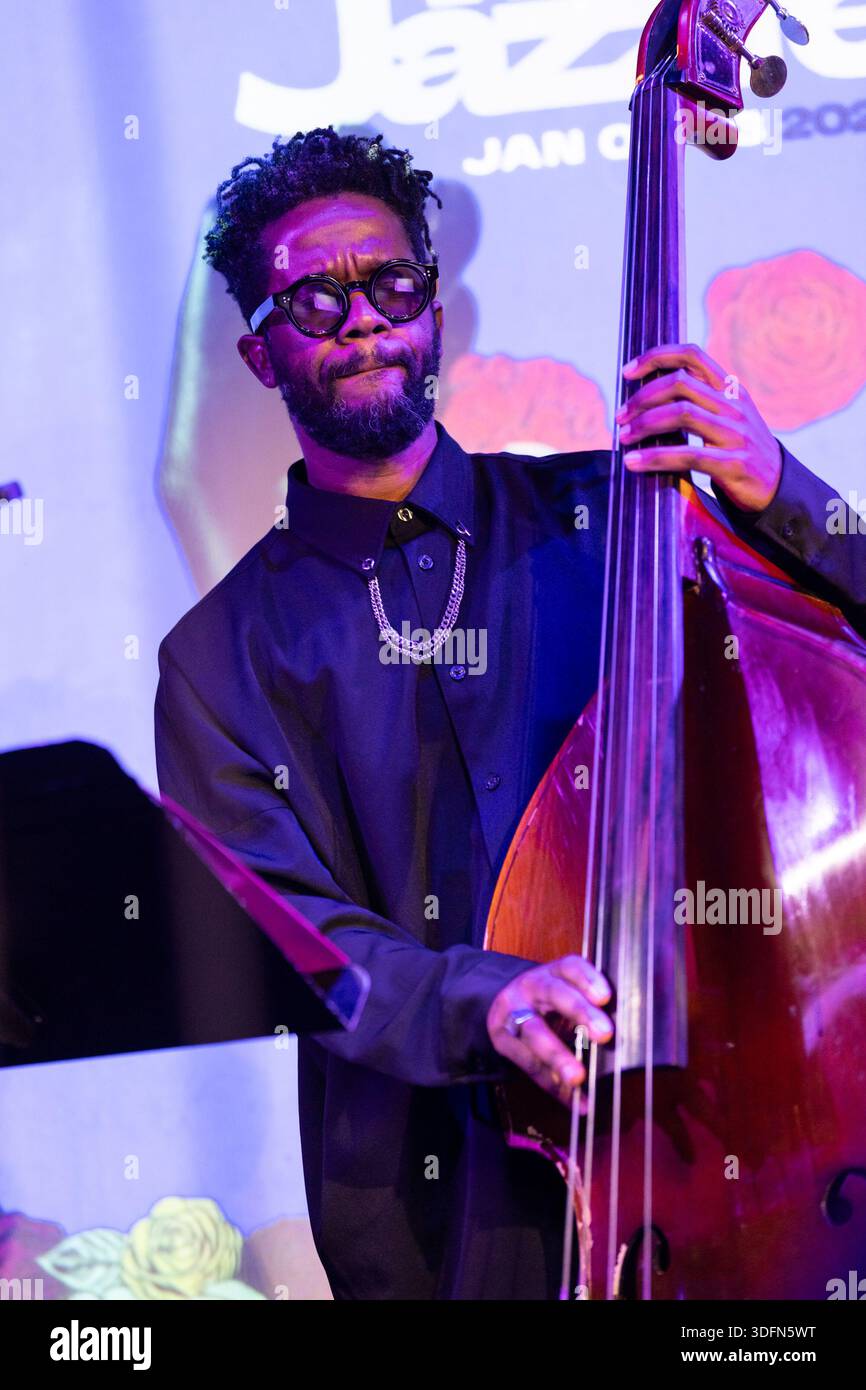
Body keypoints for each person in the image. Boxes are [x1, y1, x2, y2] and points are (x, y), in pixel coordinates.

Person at [154, 127, 866, 1300]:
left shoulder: (622, 515)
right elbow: (286, 939)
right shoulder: (214, 660)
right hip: (441, 1218)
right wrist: (485, 999)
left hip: (743, 1159)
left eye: (390, 284)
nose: (365, 319)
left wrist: (779, 484)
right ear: (259, 351)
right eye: (314, 301)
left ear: (432, 308)